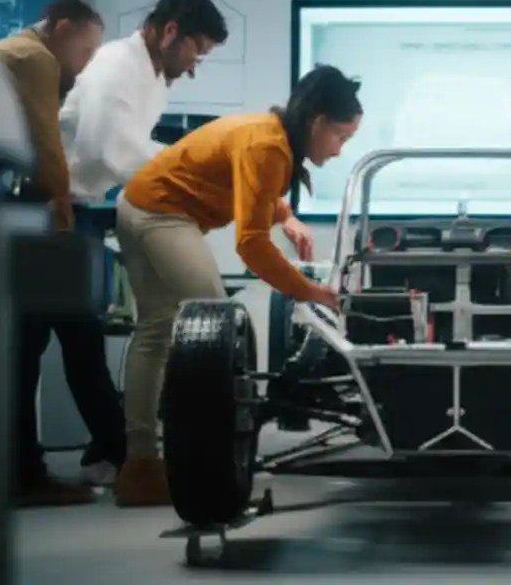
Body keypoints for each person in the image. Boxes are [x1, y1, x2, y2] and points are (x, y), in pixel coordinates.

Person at [111, 64, 358, 506]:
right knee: (214, 329)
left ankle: (141, 466)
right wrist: (310, 291)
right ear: (318, 122)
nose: (340, 150)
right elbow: (251, 245)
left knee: (157, 331)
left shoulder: (271, 133)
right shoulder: (269, 145)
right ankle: (207, 466)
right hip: (159, 212)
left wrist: (286, 217)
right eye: (341, 136)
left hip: (136, 205)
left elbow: (250, 186)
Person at [0, 0, 125, 505]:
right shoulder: (35, 58)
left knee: (35, 346)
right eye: (85, 50)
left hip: (7, 216)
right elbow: (47, 147)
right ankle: (35, 472)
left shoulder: (8, 52)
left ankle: (34, 467)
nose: (86, 64)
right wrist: (65, 222)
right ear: (62, 29)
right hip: (33, 219)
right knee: (65, 340)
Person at [58, 0, 228, 203]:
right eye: (197, 53)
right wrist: (190, 165)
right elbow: (110, 148)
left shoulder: (153, 77)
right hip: (54, 199)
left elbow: (132, 147)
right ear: (170, 31)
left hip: (85, 197)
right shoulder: (117, 62)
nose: (193, 68)